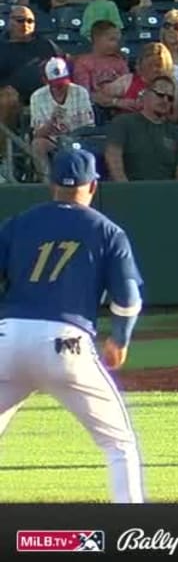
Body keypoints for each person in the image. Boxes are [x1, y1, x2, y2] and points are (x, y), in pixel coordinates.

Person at [0, 148, 147, 503]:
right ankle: (134, 535)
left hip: (7, 338)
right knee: (118, 443)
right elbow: (127, 299)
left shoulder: (18, 223)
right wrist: (121, 338)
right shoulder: (107, 230)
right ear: (93, 185)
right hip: (65, 344)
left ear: (50, 184)